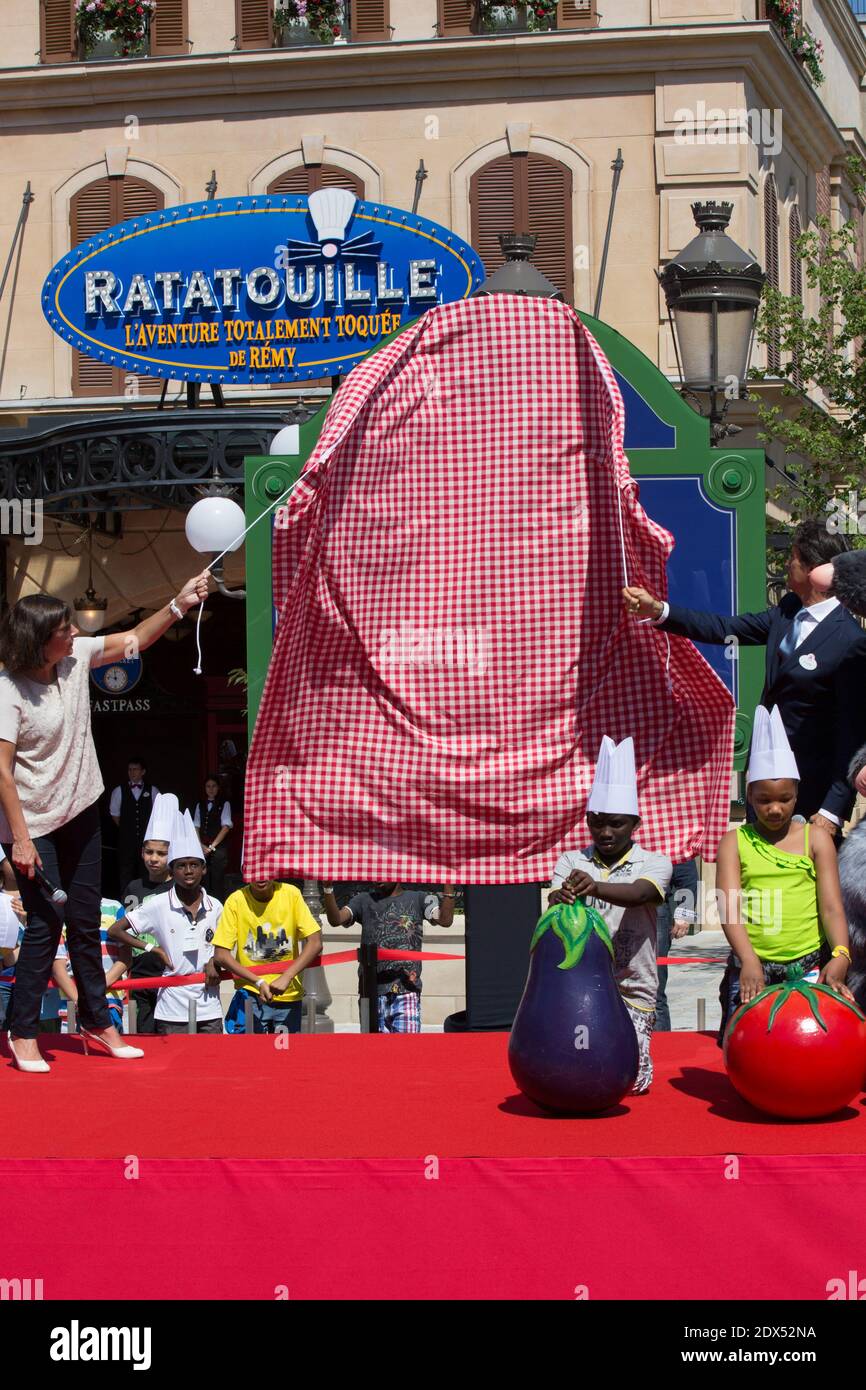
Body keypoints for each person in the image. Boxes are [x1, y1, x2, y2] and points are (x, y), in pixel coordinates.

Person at [0, 572, 209, 1071]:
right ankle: (22, 1031)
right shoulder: (8, 690)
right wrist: (22, 843)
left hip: (81, 815)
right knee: (46, 926)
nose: (74, 634)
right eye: (64, 629)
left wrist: (178, 603)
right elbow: (2, 776)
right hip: (33, 825)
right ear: (38, 639)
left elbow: (135, 638)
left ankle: (98, 1022)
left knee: (86, 921)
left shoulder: (75, 659)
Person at [623, 518, 866, 831]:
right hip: (765, 780)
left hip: (809, 793)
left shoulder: (850, 640)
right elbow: (728, 629)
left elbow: (852, 732)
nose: (788, 564)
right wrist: (658, 610)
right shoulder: (788, 610)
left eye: (793, 557)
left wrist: (832, 810)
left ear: (812, 568)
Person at [715, 705, 853, 1044]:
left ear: (797, 795)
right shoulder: (734, 842)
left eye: (785, 799)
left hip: (807, 967)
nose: (775, 809)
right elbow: (729, 908)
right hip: (751, 967)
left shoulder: (816, 838)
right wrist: (747, 960)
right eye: (763, 800)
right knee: (748, 1048)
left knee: (807, 1044)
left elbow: (832, 907)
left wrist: (841, 954)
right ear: (749, 796)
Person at [547, 735, 672, 1094]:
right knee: (582, 1066)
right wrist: (561, 895)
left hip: (633, 986)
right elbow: (556, 901)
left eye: (616, 824)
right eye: (597, 823)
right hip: (580, 986)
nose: (605, 832)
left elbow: (642, 894)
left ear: (635, 823)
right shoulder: (572, 860)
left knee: (634, 1080)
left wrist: (595, 887)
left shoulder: (654, 862)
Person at [108, 807, 222, 1034]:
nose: (188, 871)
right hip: (169, 1004)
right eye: (181, 865)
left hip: (209, 1006)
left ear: (204, 869)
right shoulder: (158, 903)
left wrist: (216, 961)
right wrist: (153, 948)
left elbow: (227, 943)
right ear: (174, 869)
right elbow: (116, 930)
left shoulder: (216, 906)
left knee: (211, 1065)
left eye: (194, 865)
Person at [321, 881, 455, 1032]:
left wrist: (448, 884)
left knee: (406, 1051)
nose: (377, 878)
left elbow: (445, 920)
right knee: (374, 1051)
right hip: (371, 991)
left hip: (407, 991)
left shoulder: (419, 898)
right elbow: (336, 920)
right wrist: (327, 889)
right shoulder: (363, 900)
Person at [213, 879, 321, 1034]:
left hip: (288, 996)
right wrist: (258, 982)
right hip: (251, 995)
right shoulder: (236, 900)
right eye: (254, 872)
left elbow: (315, 942)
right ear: (245, 872)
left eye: (265, 870)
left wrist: (287, 976)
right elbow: (221, 954)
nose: (260, 877)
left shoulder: (291, 894)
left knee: (284, 1054)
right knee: (252, 1055)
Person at [110, 792, 178, 1034]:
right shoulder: (133, 888)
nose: (154, 859)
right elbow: (123, 931)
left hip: (170, 977)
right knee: (143, 1035)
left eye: (161, 853)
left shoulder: (179, 889)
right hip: (139, 976)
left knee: (171, 1036)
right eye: (149, 852)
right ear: (141, 852)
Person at [655, 857, 699, 1032]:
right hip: (609, 910)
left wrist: (683, 915)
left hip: (655, 909)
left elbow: (686, 876)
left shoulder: (667, 834)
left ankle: (661, 1049)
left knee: (653, 989)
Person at [110, 758, 159, 897]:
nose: (132, 772)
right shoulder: (119, 791)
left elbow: (157, 814)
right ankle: (126, 903)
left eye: (135, 769)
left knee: (147, 870)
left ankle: (147, 900)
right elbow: (115, 815)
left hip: (146, 840)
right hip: (126, 841)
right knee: (126, 872)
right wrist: (128, 829)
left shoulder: (153, 791)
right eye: (130, 769)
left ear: (143, 771)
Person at [193, 775, 232, 902]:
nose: (211, 789)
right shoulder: (200, 804)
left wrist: (212, 846)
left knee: (217, 879)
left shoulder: (224, 804)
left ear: (218, 788)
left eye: (213, 786)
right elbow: (196, 825)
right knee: (202, 878)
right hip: (203, 847)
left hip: (217, 847)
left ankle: (219, 907)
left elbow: (226, 827)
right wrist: (200, 844)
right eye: (208, 786)